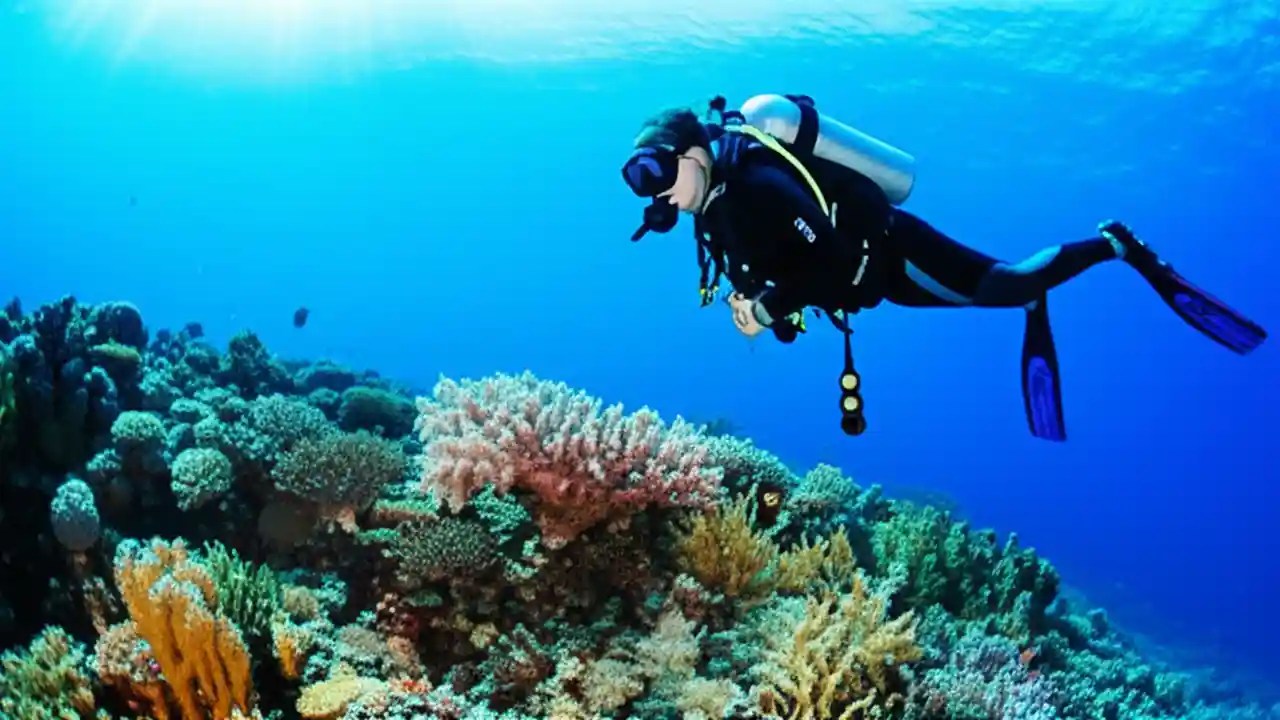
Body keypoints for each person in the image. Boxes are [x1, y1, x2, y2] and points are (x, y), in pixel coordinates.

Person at [619, 94, 1267, 440]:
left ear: (696, 151)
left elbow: (832, 255)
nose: (658, 196)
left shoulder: (755, 181)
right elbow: (786, 265)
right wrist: (761, 302)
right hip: (879, 284)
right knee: (1002, 289)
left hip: (894, 254)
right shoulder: (713, 206)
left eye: (662, 173)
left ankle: (1116, 245)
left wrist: (764, 310)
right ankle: (1032, 296)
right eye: (645, 185)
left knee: (1007, 283)